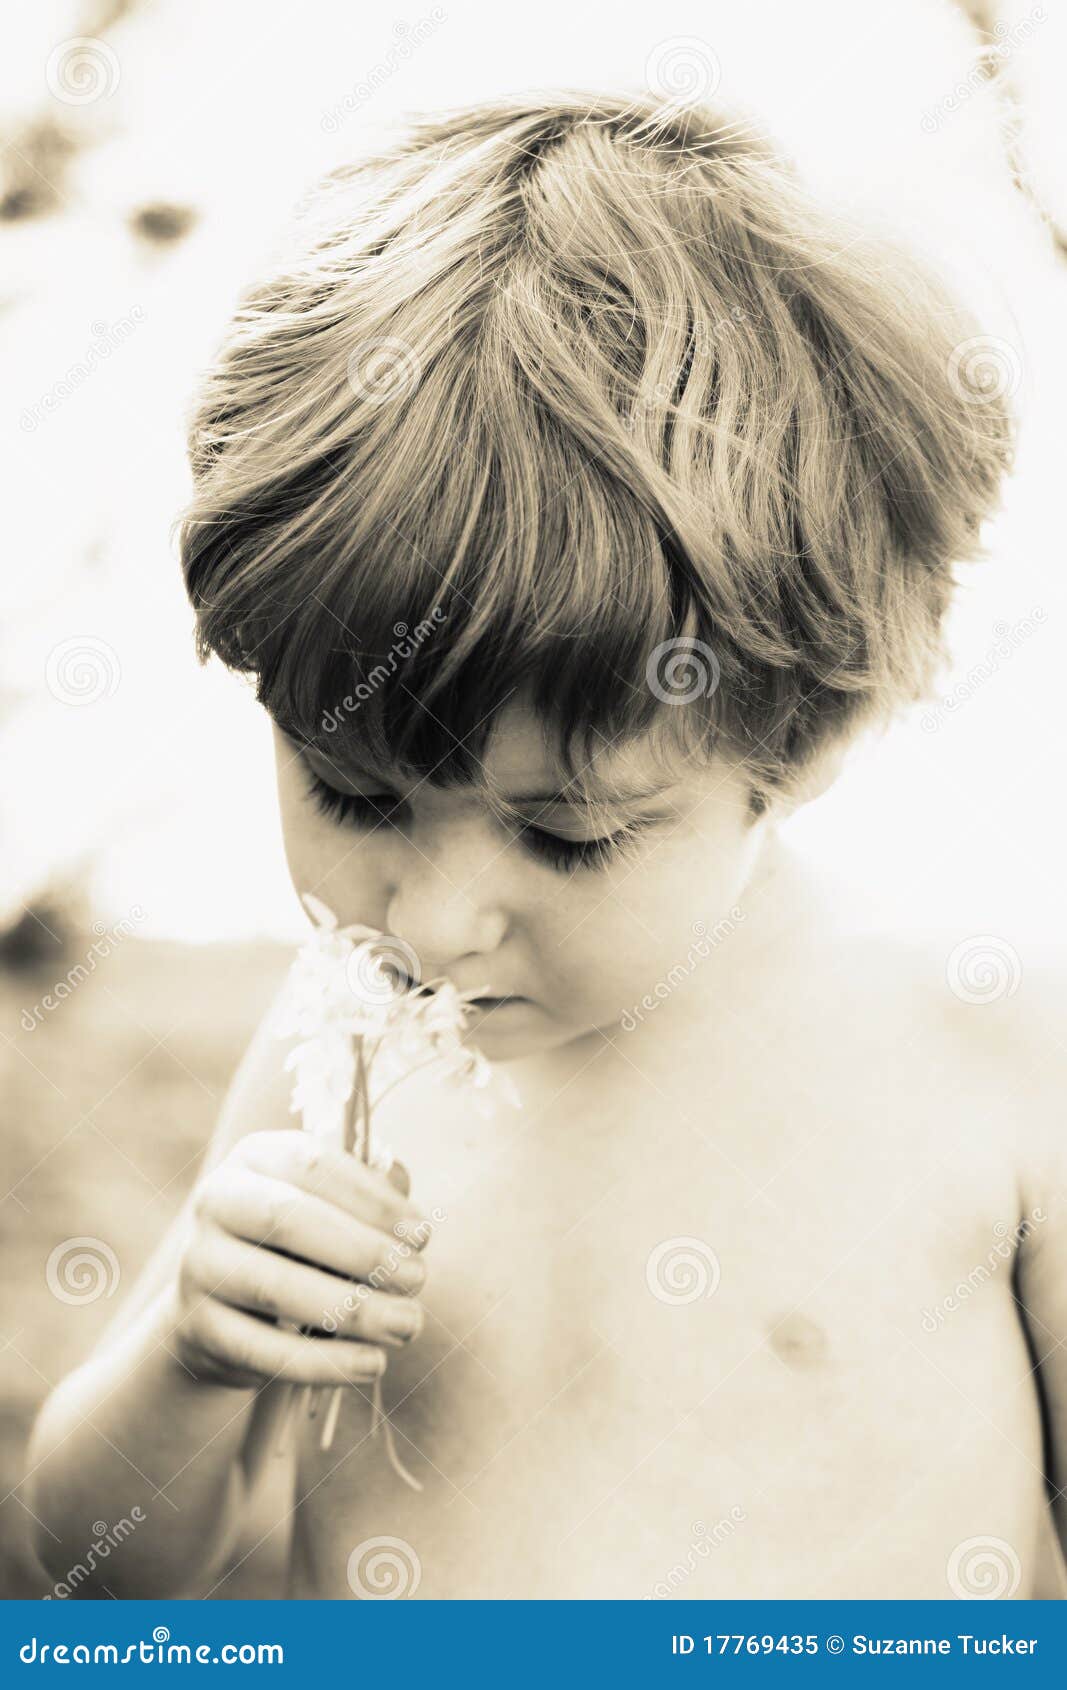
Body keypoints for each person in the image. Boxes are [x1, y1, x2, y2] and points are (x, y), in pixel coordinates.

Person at [25, 90, 1066, 1601]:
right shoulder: (333, 1065)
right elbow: (103, 1577)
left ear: (805, 746)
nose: (436, 921)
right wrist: (191, 1355)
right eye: (359, 796)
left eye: (566, 836)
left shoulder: (985, 1054)